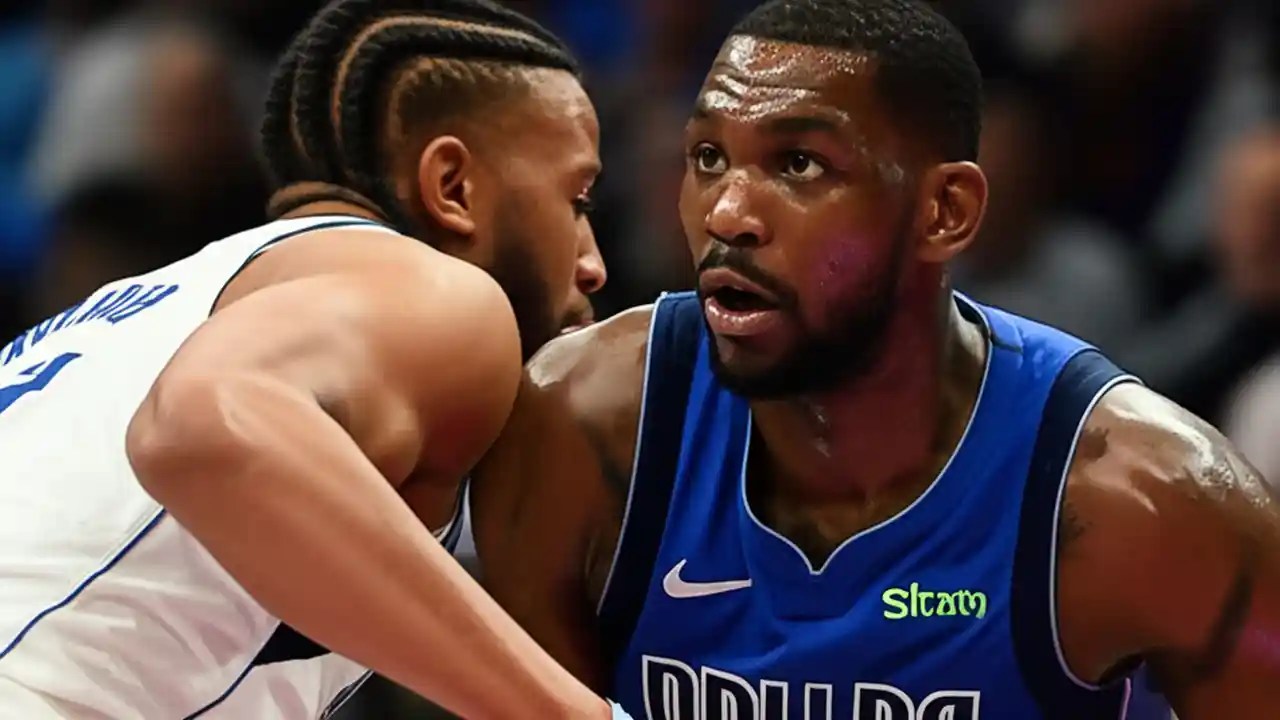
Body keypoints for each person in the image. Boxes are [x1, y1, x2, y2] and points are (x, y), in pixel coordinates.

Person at [470, 1, 1280, 718]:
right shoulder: (579, 426)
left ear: (944, 211)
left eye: (799, 164)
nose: (728, 212)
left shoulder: (1142, 500)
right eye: (709, 157)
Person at [0, 0, 624, 717]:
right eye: (577, 199)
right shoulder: (437, 293)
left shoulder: (134, 308)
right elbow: (202, 426)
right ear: (453, 187)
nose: (594, 264)